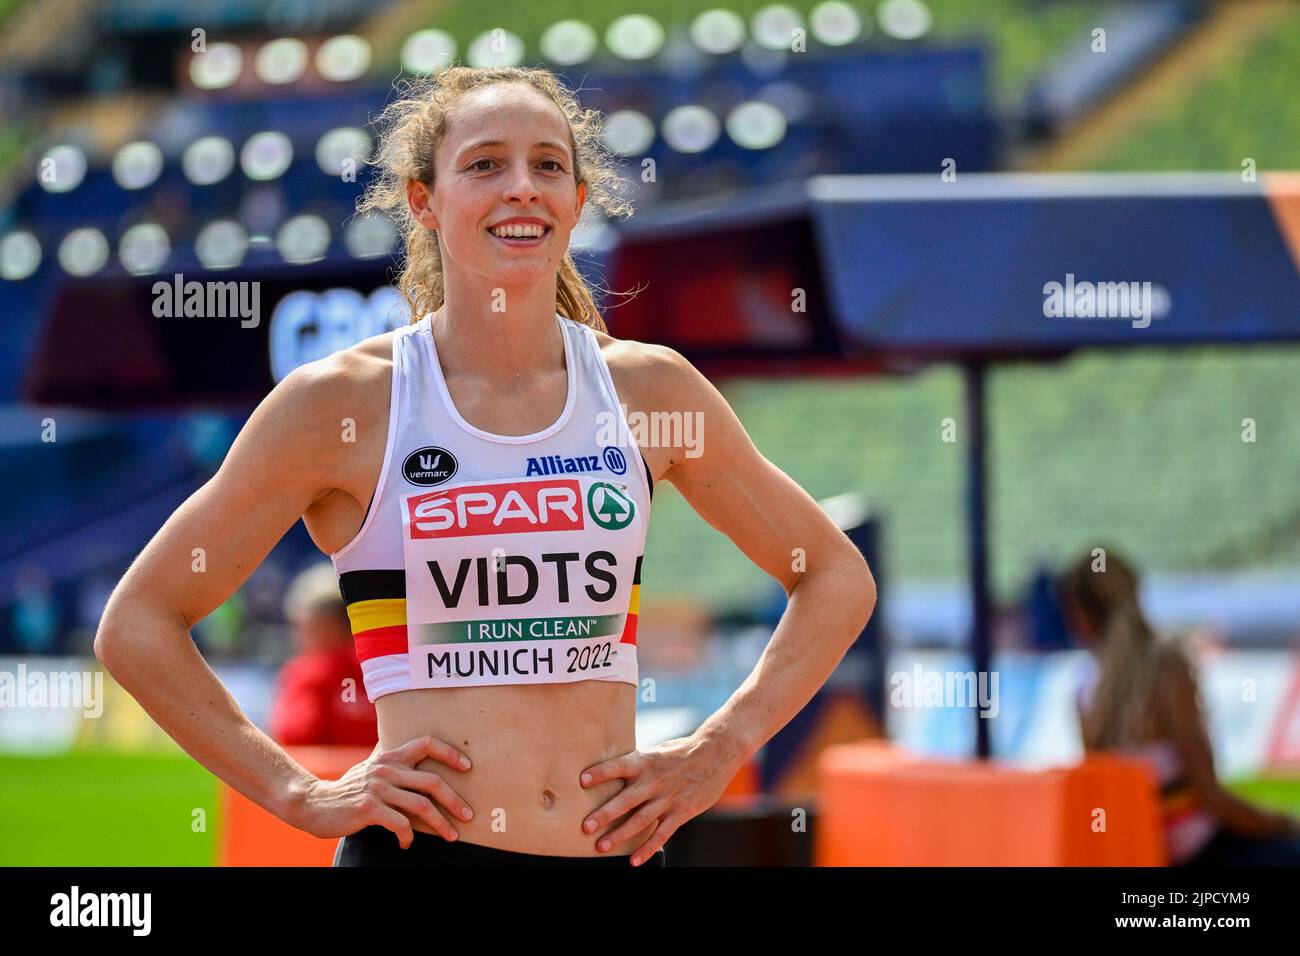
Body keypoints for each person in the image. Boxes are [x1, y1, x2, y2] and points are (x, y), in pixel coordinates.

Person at [94, 63, 876, 867]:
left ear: (577, 201)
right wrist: (301, 793)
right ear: (422, 201)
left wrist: (720, 747)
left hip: (618, 851)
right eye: (484, 164)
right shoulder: (342, 405)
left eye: (547, 165)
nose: (521, 188)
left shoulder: (649, 390)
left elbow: (834, 574)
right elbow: (138, 623)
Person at [1058, 548, 1300, 866]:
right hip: (1199, 850)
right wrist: (1285, 823)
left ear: (1080, 619)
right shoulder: (1167, 670)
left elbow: (1101, 805)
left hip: (1141, 854)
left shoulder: (1084, 692)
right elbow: (1213, 800)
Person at [269, 562, 378, 747]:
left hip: (328, 776)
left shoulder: (309, 672)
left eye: (300, 624)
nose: (296, 634)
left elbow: (295, 738)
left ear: (328, 625)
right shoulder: (385, 665)